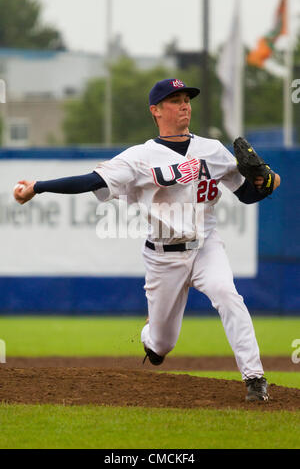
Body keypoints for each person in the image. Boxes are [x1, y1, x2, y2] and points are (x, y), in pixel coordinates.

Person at [14, 78, 280, 402]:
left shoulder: (212, 150)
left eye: (187, 99)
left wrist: (266, 179)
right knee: (160, 346)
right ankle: (150, 333)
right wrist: (38, 186)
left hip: (206, 244)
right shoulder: (139, 157)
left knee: (227, 294)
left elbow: (249, 194)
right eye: (174, 100)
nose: (184, 105)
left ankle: (254, 379)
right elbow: (91, 180)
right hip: (163, 257)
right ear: (155, 110)